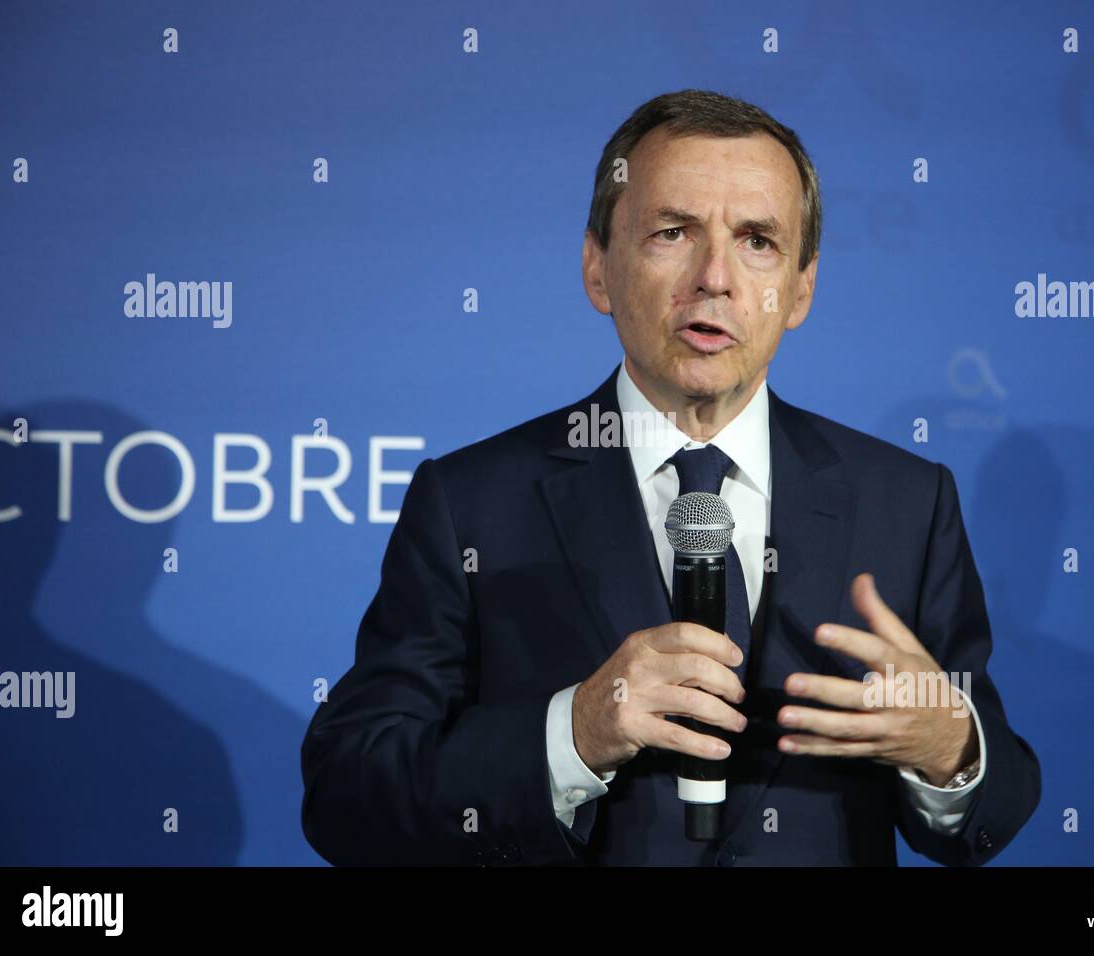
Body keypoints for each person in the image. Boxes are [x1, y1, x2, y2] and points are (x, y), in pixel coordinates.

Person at [300, 89, 1040, 866]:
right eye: (672, 231)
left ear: (800, 289)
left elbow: (998, 807)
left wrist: (950, 744)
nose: (714, 276)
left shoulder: (908, 504)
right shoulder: (473, 504)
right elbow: (349, 796)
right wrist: (574, 732)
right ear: (598, 269)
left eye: (757, 239)